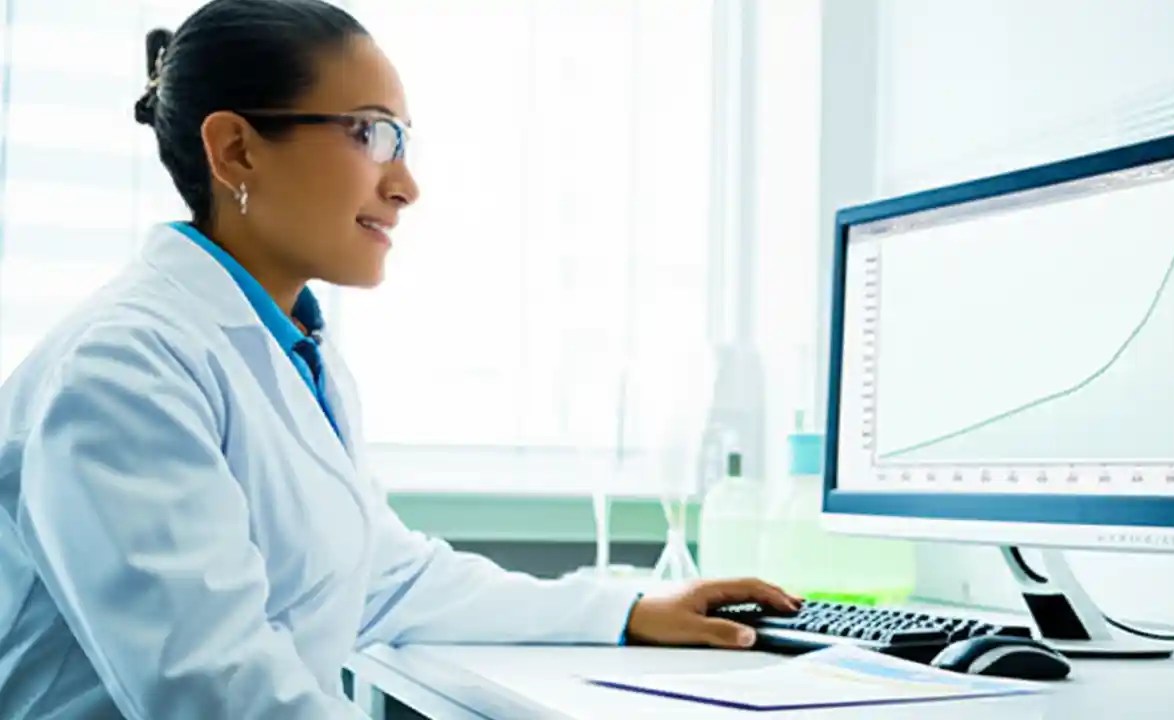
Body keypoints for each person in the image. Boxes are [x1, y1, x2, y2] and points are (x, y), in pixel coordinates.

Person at [0, 1, 798, 718]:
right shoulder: (122, 368)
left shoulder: (287, 350)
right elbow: (216, 695)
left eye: (402, 141)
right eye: (370, 133)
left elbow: (384, 575)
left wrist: (627, 611)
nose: (406, 183)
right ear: (237, 150)